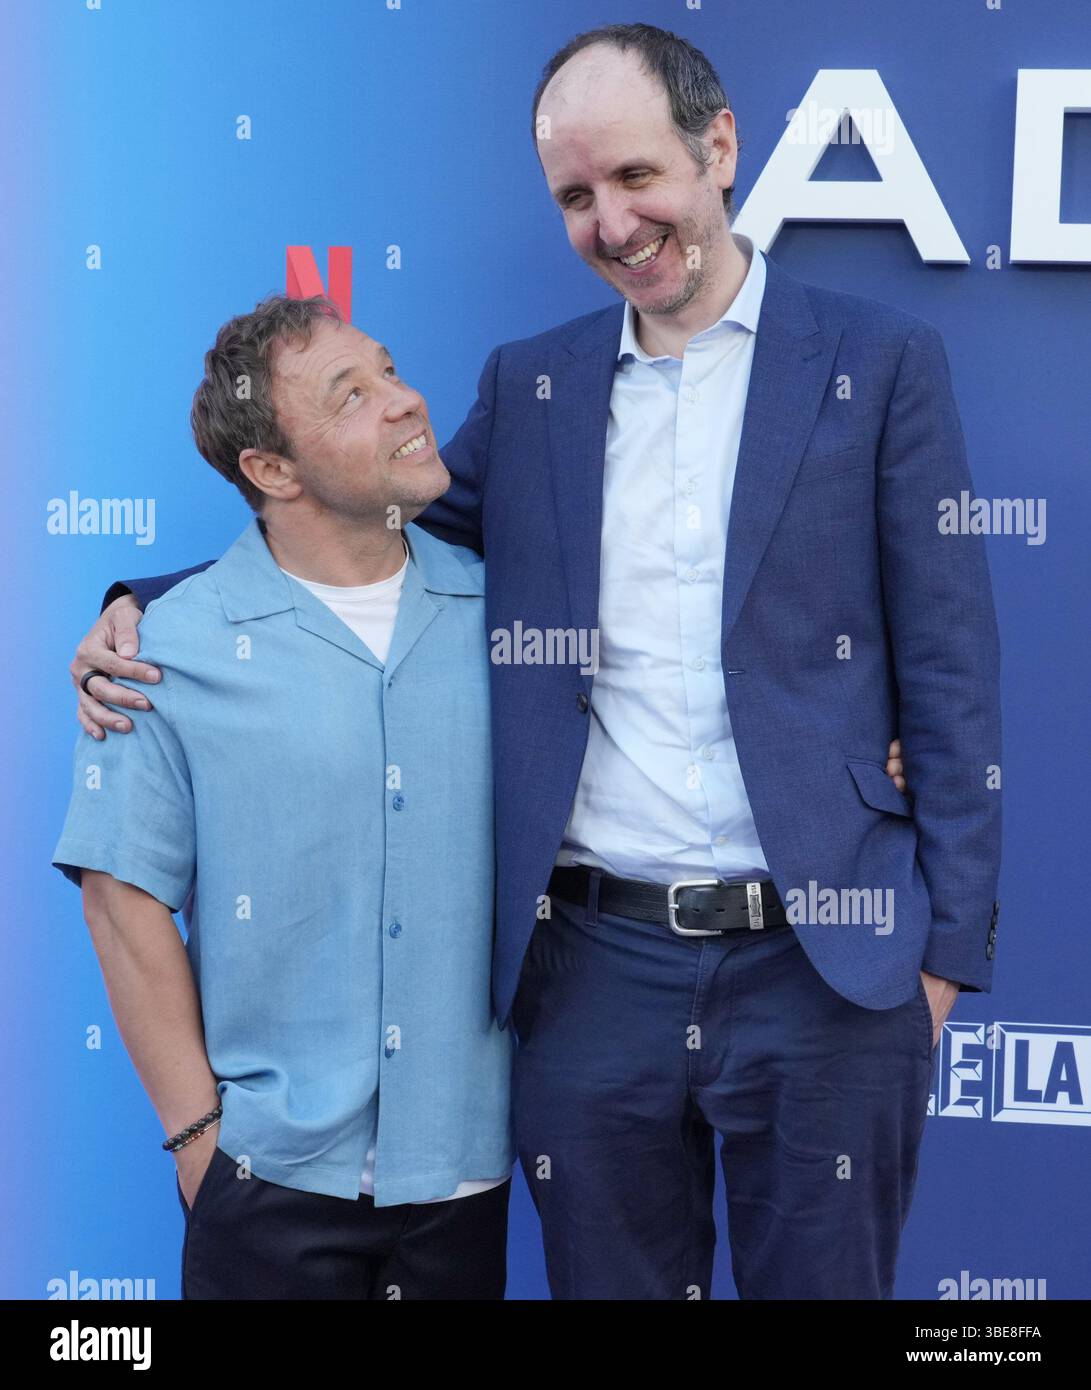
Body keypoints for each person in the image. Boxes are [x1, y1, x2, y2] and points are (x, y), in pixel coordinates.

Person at [69, 23, 1000, 1300]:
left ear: (718, 148)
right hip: (592, 982)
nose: (612, 224)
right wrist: (144, 601)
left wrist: (941, 965)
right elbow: (382, 537)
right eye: (575, 197)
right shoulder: (535, 385)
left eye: (634, 179)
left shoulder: (877, 364)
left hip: (825, 975)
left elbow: (952, 670)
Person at [54, 294, 514, 1300]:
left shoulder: (511, 621)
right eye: (352, 395)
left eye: (390, 369)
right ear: (270, 470)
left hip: (465, 1184)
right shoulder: (163, 651)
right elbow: (119, 896)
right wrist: (197, 1146)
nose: (404, 402)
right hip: (264, 1193)